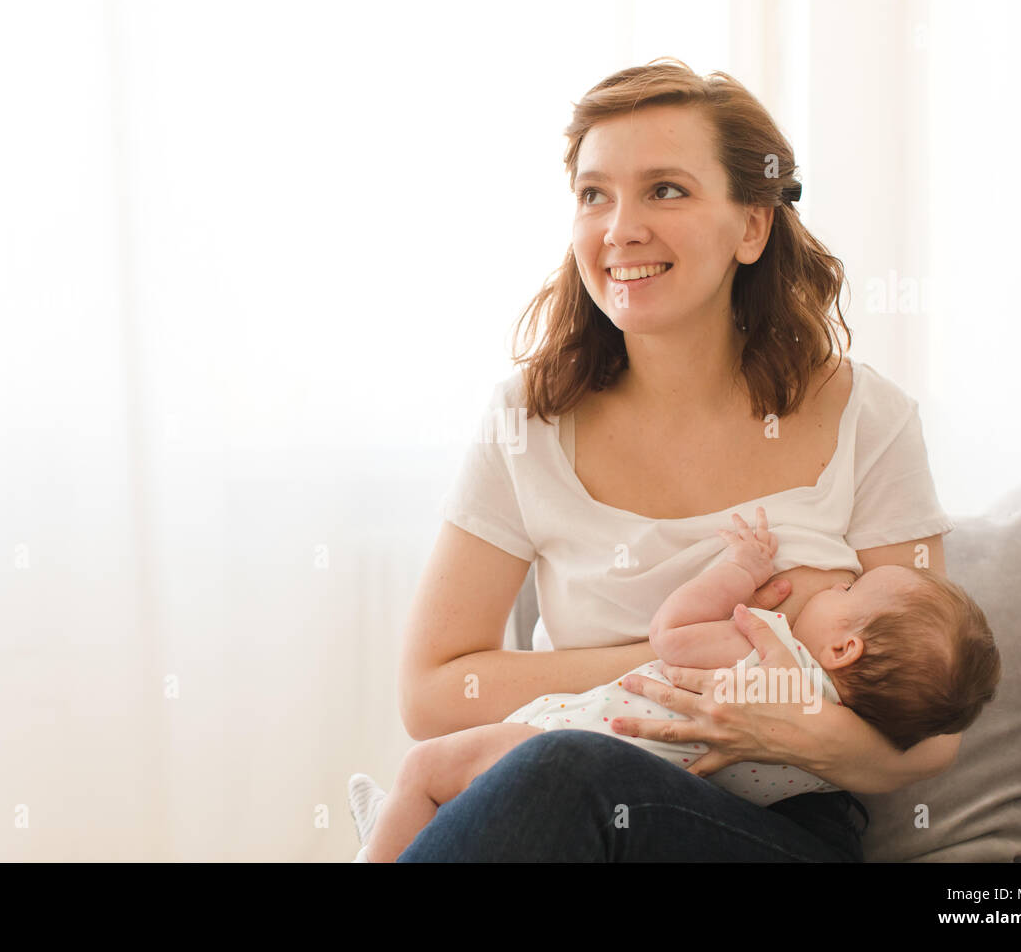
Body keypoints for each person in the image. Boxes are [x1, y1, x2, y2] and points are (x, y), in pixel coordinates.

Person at [389, 59, 960, 862]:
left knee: (561, 768)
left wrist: (784, 721)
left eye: (666, 189)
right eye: (595, 194)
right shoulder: (530, 417)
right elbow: (434, 691)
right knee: (562, 766)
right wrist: (678, 659)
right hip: (571, 800)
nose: (620, 228)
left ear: (752, 226)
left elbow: (936, 736)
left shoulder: (868, 418)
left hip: (778, 829)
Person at [352, 508, 997, 862]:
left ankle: (394, 837)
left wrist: (740, 570)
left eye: (850, 588)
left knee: (431, 771)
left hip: (583, 738)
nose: (836, 583)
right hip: (630, 783)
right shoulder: (841, 737)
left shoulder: (772, 658)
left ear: (844, 647)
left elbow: (675, 633)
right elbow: (925, 728)